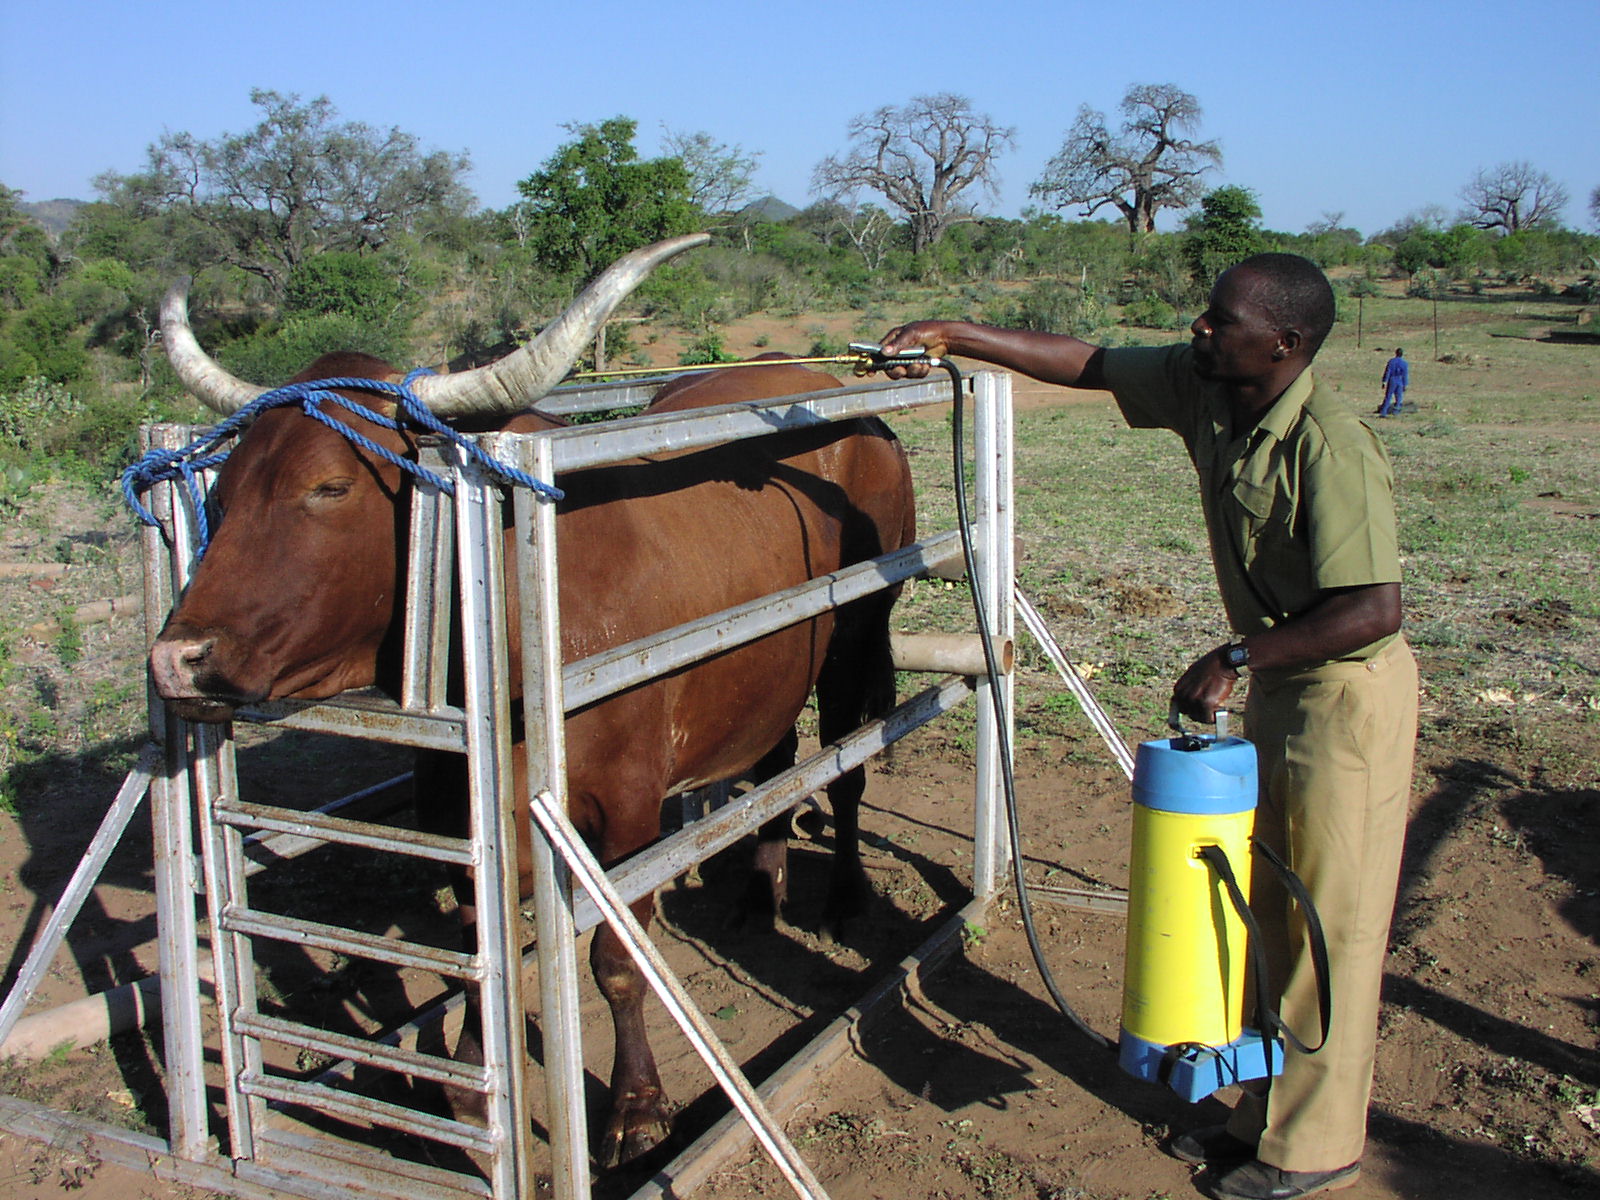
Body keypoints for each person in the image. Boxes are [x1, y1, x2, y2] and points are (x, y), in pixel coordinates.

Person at [876, 253, 1418, 1200]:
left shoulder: (1330, 446)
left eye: (1221, 319)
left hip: (1344, 697)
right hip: (1282, 683)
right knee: (1265, 906)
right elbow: (1085, 362)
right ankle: (1259, 1114)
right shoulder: (1209, 387)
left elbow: (1374, 609)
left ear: (1284, 343)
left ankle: (1315, 1147)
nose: (1200, 328)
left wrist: (1237, 656)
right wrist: (954, 333)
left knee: (1328, 922)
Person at [1378, 348, 1408, 416]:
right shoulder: (1404, 363)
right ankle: (1396, 411)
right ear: (1402, 354)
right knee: (1399, 397)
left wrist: (1384, 381)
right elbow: (1405, 375)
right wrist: (1405, 384)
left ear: (1396, 353)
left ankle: (1383, 412)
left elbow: (1388, 372)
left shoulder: (1391, 361)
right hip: (1400, 381)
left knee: (1388, 396)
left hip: (1392, 380)